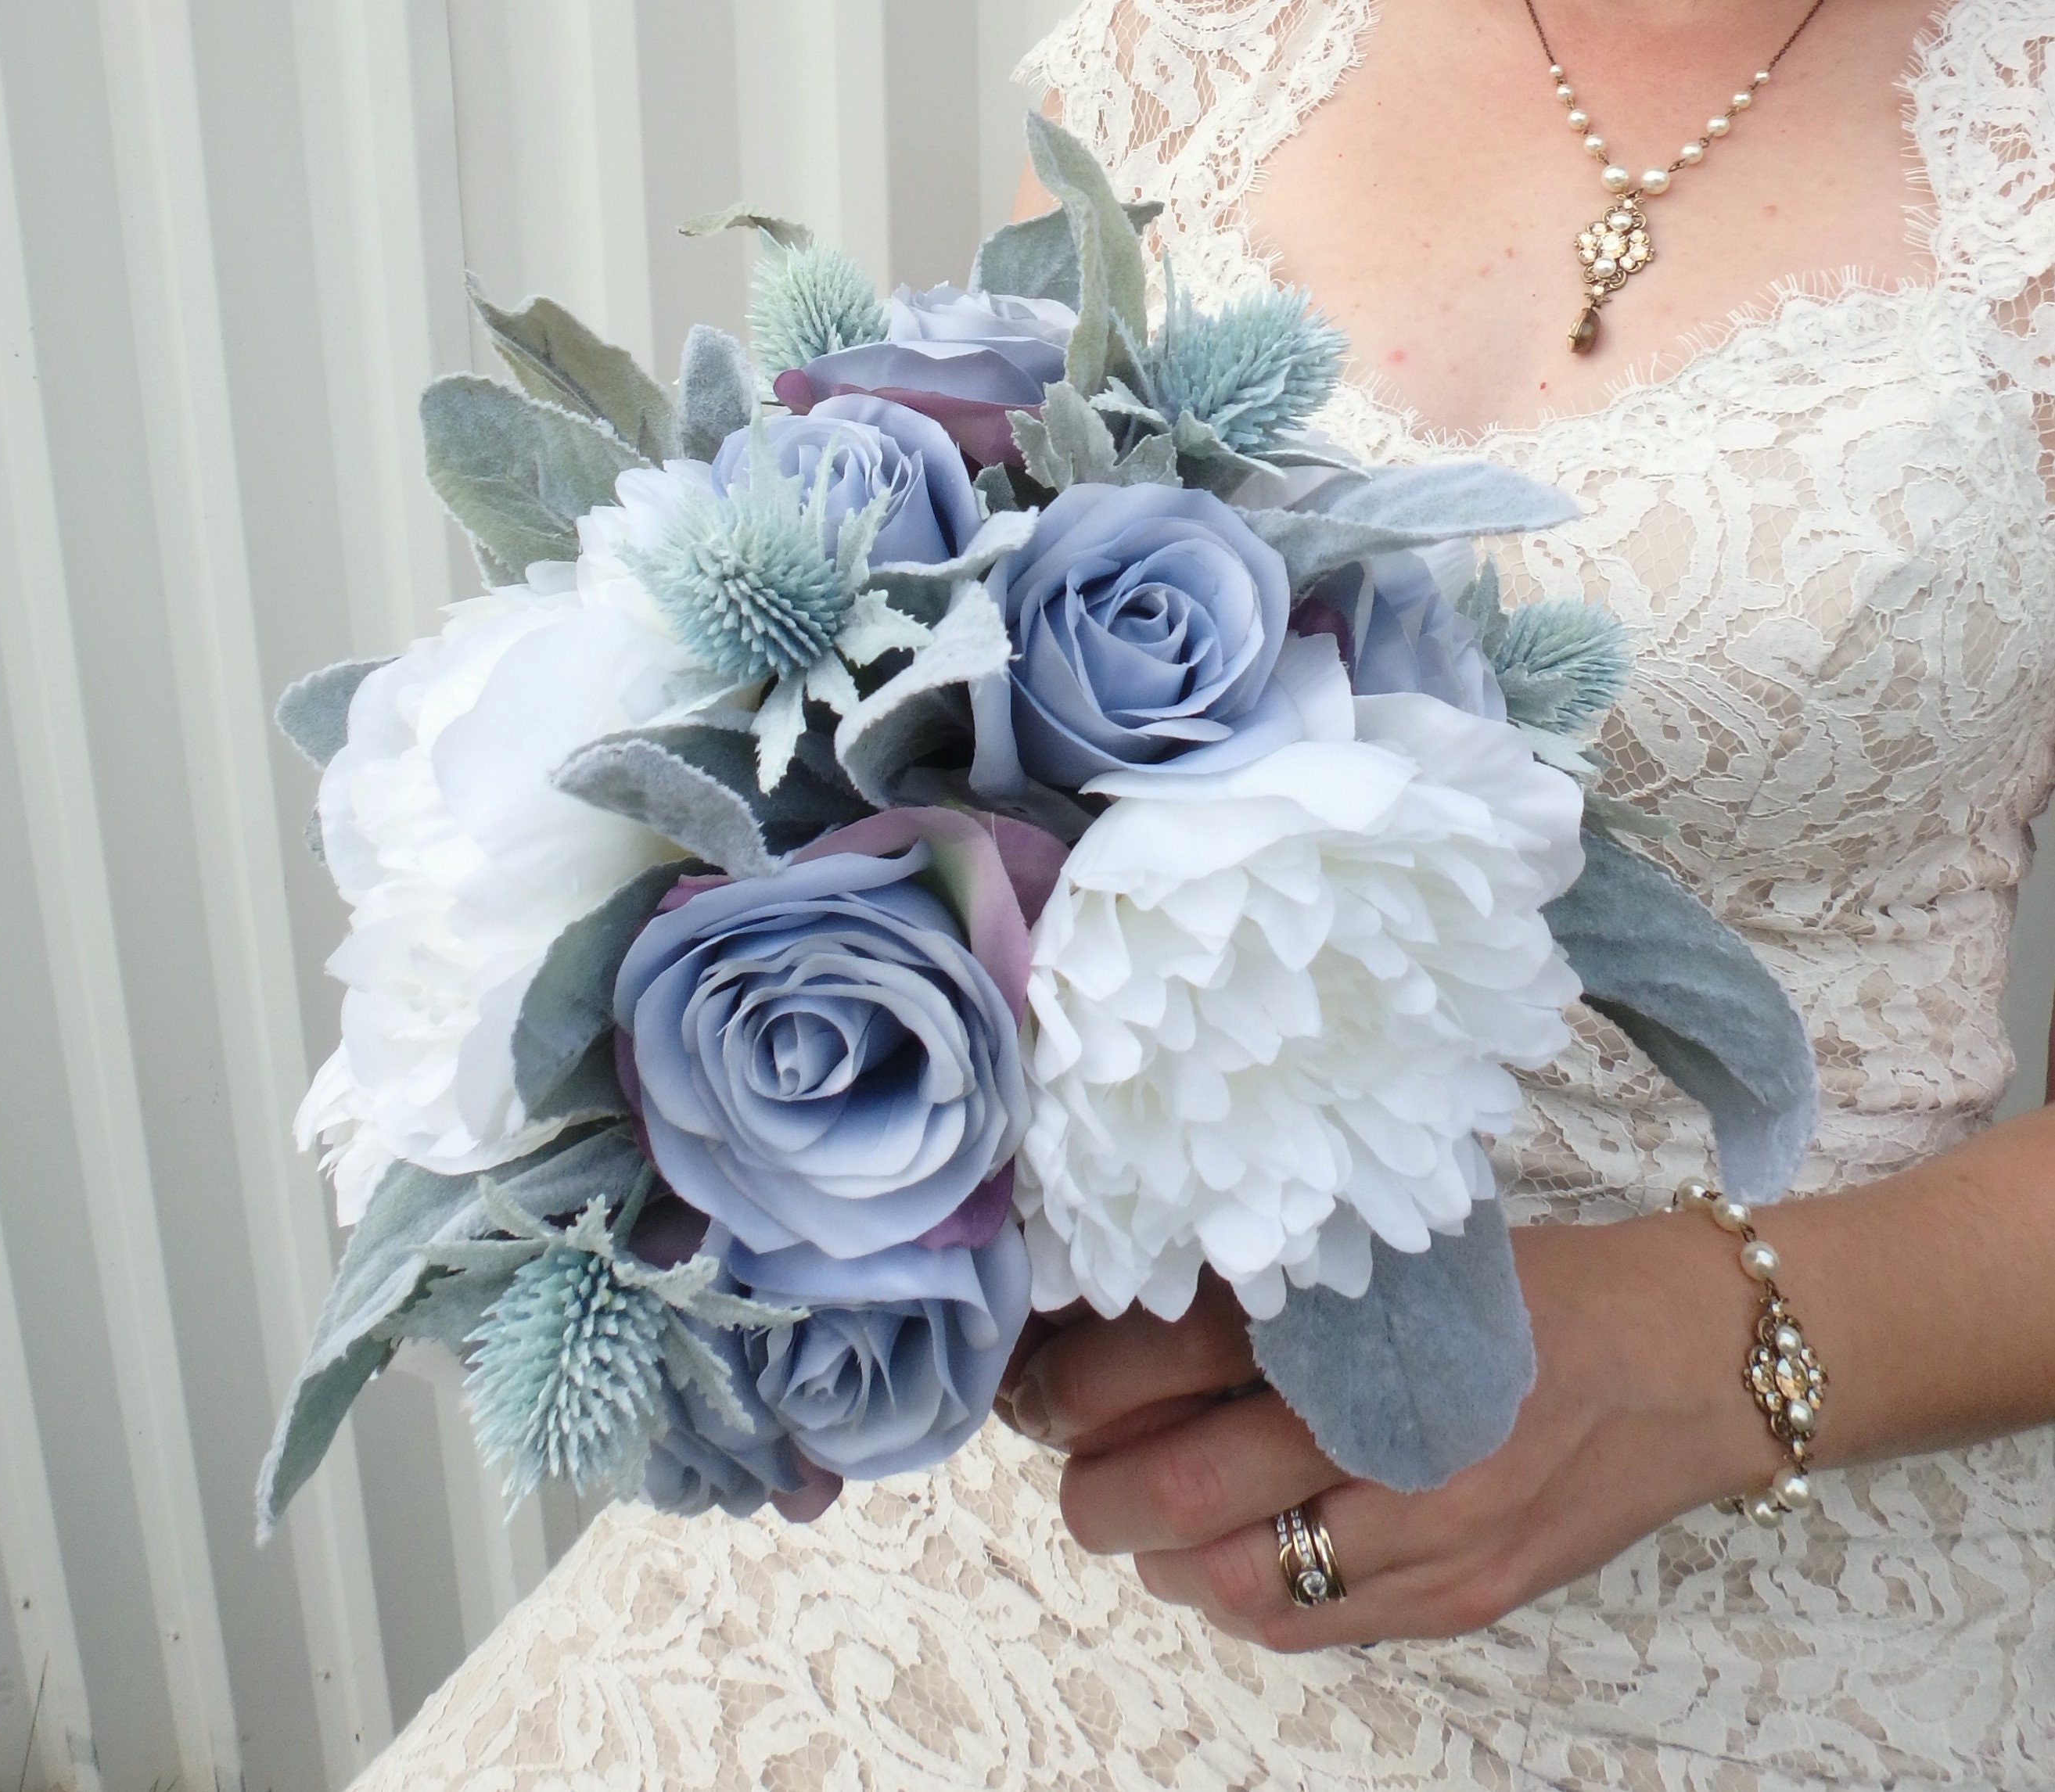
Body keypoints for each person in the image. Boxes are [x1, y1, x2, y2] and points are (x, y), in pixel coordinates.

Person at [355, 2, 2055, 1786]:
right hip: (1051, 1485)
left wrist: (1693, 1358)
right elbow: (942, 684)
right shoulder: (1197, 41)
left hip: (1750, 1543)